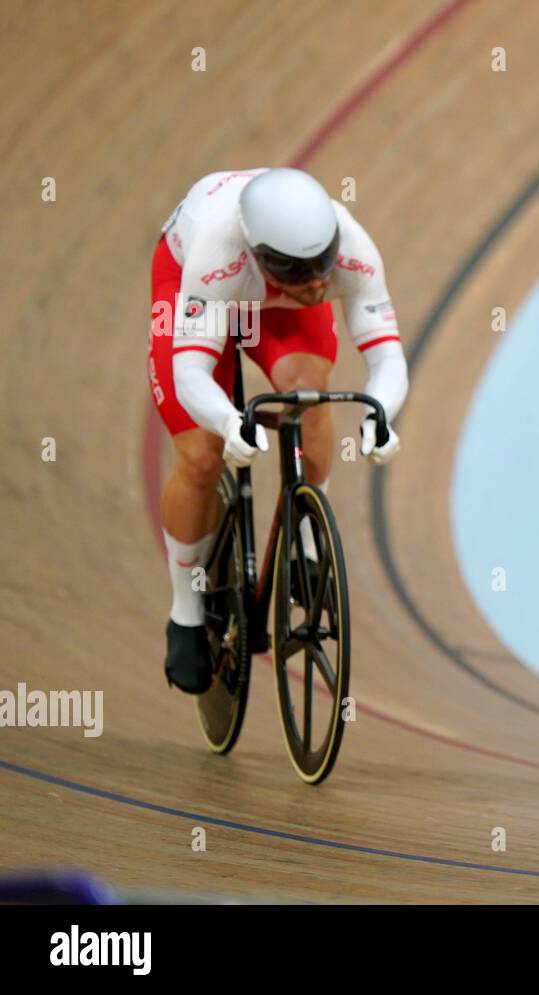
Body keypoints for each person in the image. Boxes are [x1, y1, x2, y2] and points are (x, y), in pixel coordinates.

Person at [147, 168, 408, 694]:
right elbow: (190, 373)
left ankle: (306, 542)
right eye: (297, 270)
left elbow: (386, 356)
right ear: (262, 255)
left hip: (273, 304)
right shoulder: (217, 254)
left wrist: (381, 415)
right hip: (192, 283)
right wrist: (226, 421)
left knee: (309, 391)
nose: (315, 283)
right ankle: (186, 609)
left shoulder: (351, 243)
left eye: (322, 265)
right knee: (201, 456)